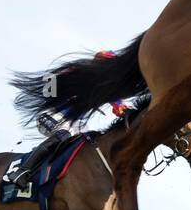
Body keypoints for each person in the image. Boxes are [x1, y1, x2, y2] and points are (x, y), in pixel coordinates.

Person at [8, 50, 140, 189]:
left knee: (91, 145)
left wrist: (128, 113)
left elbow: (118, 105)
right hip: (53, 114)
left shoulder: (104, 87)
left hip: (75, 124)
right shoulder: (77, 72)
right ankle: (22, 171)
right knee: (64, 135)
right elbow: (50, 78)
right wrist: (52, 97)